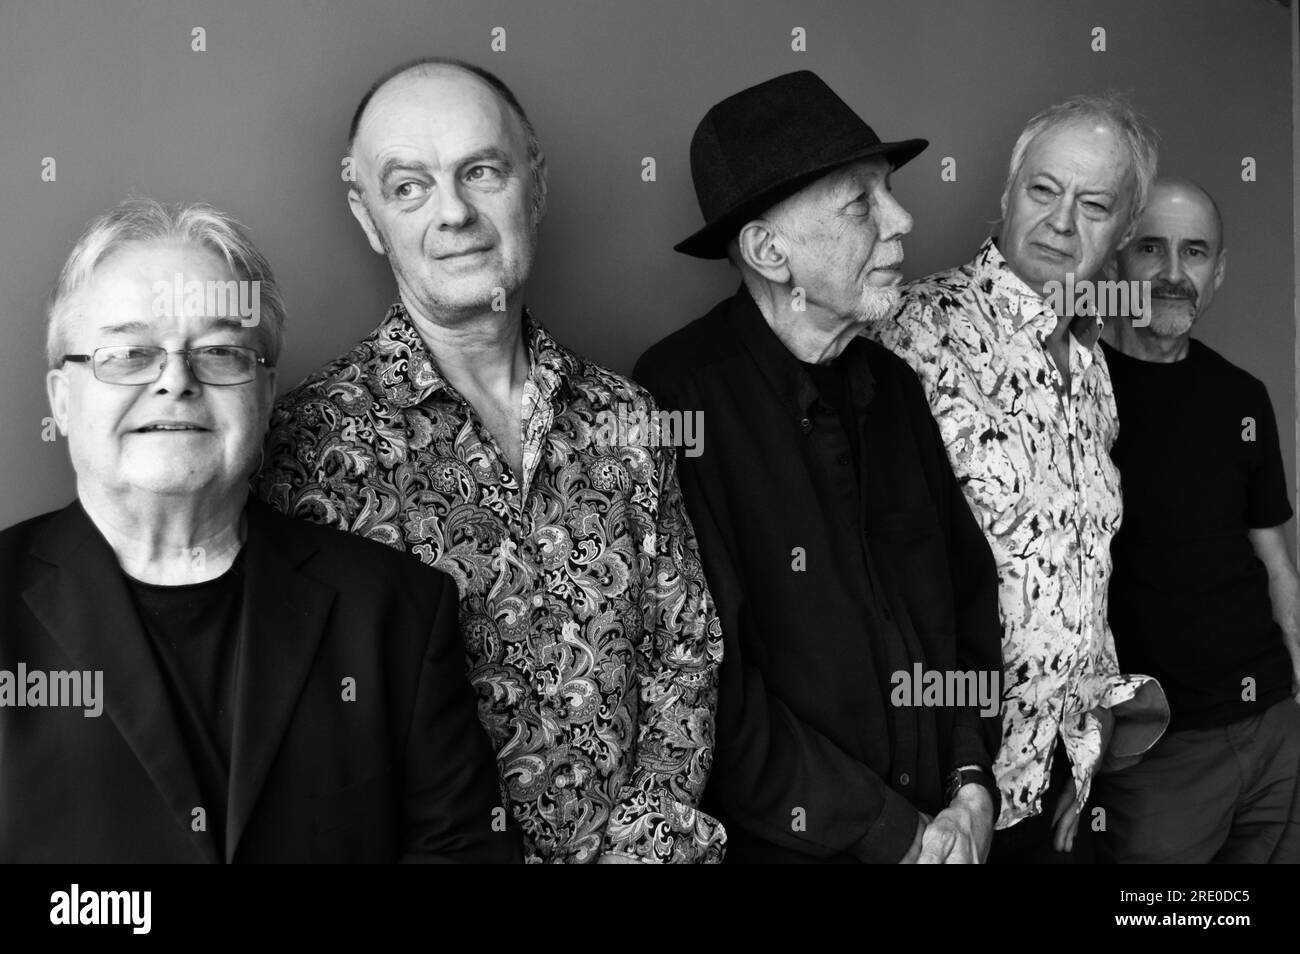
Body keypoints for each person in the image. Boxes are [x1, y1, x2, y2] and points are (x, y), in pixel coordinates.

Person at [254, 58, 724, 863]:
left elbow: (684, 656)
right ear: (368, 218)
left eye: (481, 170)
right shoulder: (301, 453)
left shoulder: (628, 418)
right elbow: (312, 761)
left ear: (533, 186)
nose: (455, 214)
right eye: (409, 187)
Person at [0, 197, 517, 863]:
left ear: (264, 392)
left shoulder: (396, 612)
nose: (176, 381)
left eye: (218, 352)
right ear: (61, 399)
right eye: (128, 353)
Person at [635, 70, 1004, 864]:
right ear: (770, 251)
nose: (904, 221)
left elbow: (970, 604)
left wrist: (973, 781)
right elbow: (709, 693)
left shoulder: (896, 388)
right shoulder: (676, 403)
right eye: (861, 203)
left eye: (890, 193)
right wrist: (898, 838)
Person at [863, 94, 1170, 863]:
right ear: (1007, 191)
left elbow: (1081, 576)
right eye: (1042, 191)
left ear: (1126, 229)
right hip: (945, 801)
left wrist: (1087, 751)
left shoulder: (1096, 363)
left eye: (1093, 204)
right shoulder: (912, 335)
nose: (1061, 223)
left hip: (1052, 781)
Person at [1094, 178, 1300, 862]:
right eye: (1152, 248)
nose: (1174, 274)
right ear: (1118, 259)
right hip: (1157, 750)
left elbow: (1273, 559)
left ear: (1217, 273)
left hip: (1272, 725)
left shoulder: (1242, 397)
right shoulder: (1072, 393)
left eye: (1195, 253)